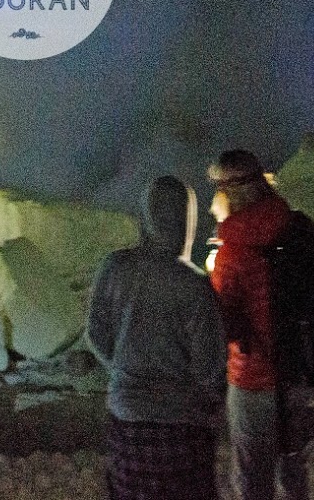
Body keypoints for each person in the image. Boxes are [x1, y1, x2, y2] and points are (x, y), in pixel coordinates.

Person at [88, 175, 227, 500]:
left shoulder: (114, 268)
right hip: (182, 427)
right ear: (185, 223)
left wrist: (125, 369)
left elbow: (96, 334)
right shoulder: (194, 286)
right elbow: (209, 367)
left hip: (127, 419)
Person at [209, 149, 314, 500]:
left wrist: (211, 277)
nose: (213, 204)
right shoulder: (300, 230)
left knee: (252, 479)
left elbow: (224, 323)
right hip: (301, 375)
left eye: (216, 190)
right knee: (293, 472)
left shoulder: (233, 252)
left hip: (254, 381)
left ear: (229, 192)